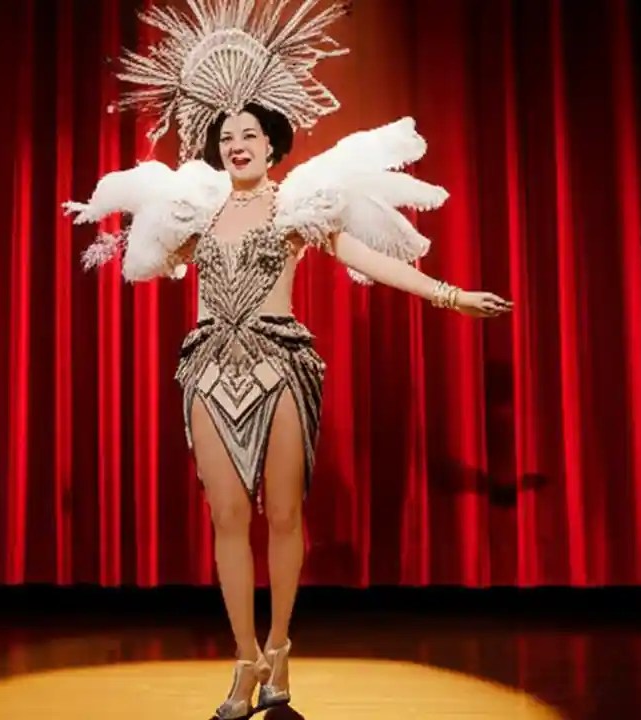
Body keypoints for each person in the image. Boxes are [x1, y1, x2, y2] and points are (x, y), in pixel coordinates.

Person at [64, 2, 512, 718]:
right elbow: (142, 256)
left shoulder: (298, 207)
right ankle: (244, 661)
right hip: (208, 371)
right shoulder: (196, 211)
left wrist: (449, 296)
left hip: (280, 367)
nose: (237, 145)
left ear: (272, 145)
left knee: (282, 514)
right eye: (226, 137)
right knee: (227, 515)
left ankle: (278, 653)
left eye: (249, 135)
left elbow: (364, 256)